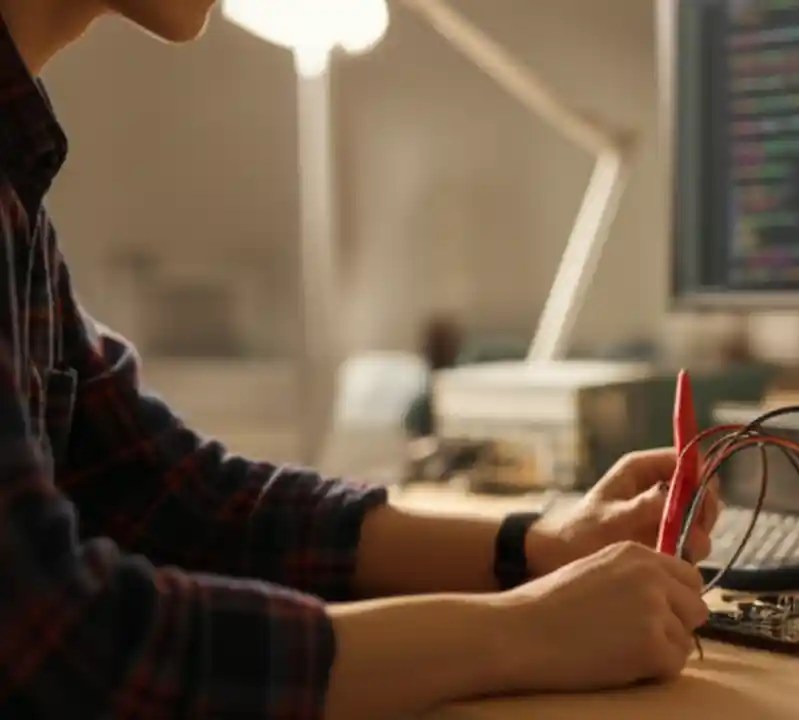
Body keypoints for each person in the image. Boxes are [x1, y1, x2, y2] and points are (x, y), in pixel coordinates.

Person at [0, 1, 720, 718]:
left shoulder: (16, 168)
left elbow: (174, 496)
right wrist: (528, 632)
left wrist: (538, 548)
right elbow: (66, 647)